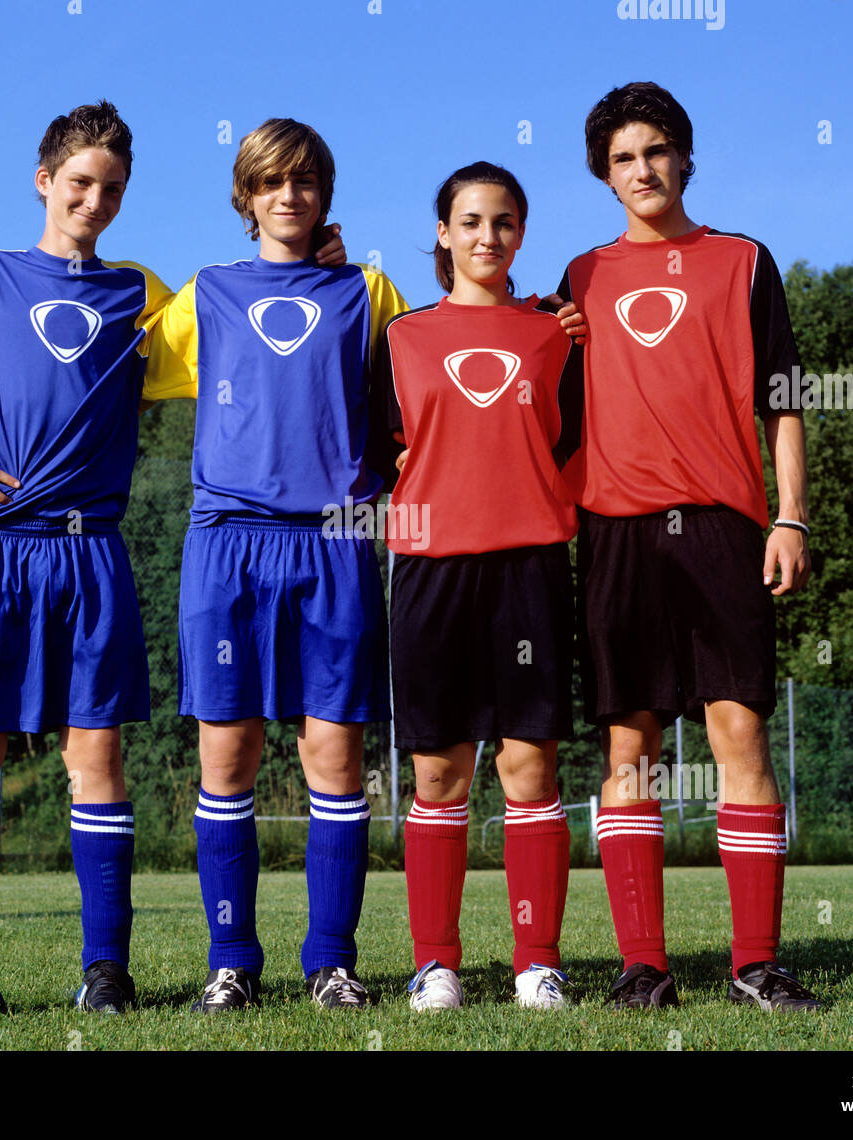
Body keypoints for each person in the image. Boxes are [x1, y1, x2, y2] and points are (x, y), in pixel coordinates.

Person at [0, 101, 348, 1018]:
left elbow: (254, 325)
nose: (96, 199)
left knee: (99, 759)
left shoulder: (144, 298)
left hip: (90, 556)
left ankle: (106, 971)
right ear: (44, 181)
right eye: (80, 182)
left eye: (113, 188)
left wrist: (315, 271)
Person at [557, 82, 822, 1011]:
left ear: (686, 158)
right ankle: (644, 966)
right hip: (616, 531)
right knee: (629, 742)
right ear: (604, 174)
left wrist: (790, 516)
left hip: (723, 525)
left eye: (657, 150)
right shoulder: (579, 280)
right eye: (624, 158)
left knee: (739, 730)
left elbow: (782, 400)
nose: (643, 170)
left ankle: (756, 964)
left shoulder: (745, 262)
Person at [151, 119, 408, 1011]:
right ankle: (233, 964)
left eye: (304, 181)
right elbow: (117, 372)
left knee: (333, 757)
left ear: (325, 195)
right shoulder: (206, 292)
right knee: (228, 757)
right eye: (271, 182)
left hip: (334, 539)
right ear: (246, 195)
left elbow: (431, 380)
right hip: (227, 542)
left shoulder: (370, 290)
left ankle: (331, 964)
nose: (288, 195)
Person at [371, 162, 585, 1011]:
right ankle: (437, 964)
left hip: (530, 566)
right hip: (431, 571)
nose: (486, 236)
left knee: (529, 765)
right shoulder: (401, 338)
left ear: (521, 234)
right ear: (442, 234)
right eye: (469, 221)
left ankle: (538, 960)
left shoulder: (557, 335)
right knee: (438, 773)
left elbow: (579, 446)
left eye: (502, 222)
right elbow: (376, 449)